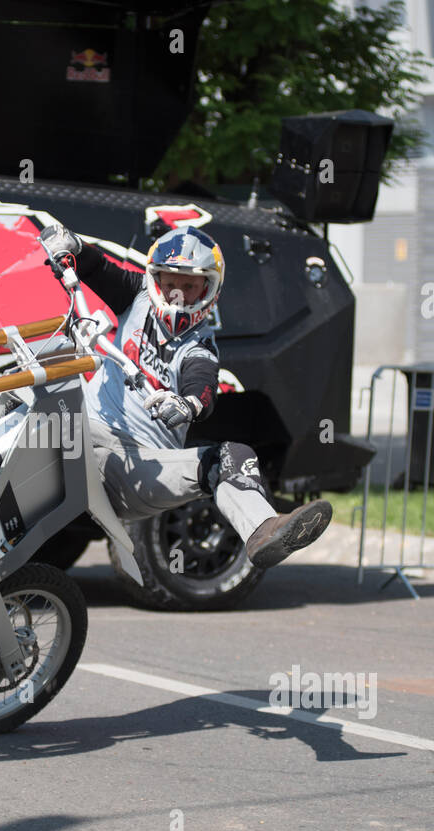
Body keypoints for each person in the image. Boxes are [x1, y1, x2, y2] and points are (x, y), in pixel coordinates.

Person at [37, 221, 332, 570]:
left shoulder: (200, 346)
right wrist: (70, 244)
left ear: (209, 289)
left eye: (189, 286)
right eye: (170, 283)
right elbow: (97, 268)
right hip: (87, 431)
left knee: (233, 456)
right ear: (155, 279)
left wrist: (187, 404)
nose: (177, 294)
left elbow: (203, 385)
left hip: (142, 468)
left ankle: (264, 530)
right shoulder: (136, 295)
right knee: (34, 379)